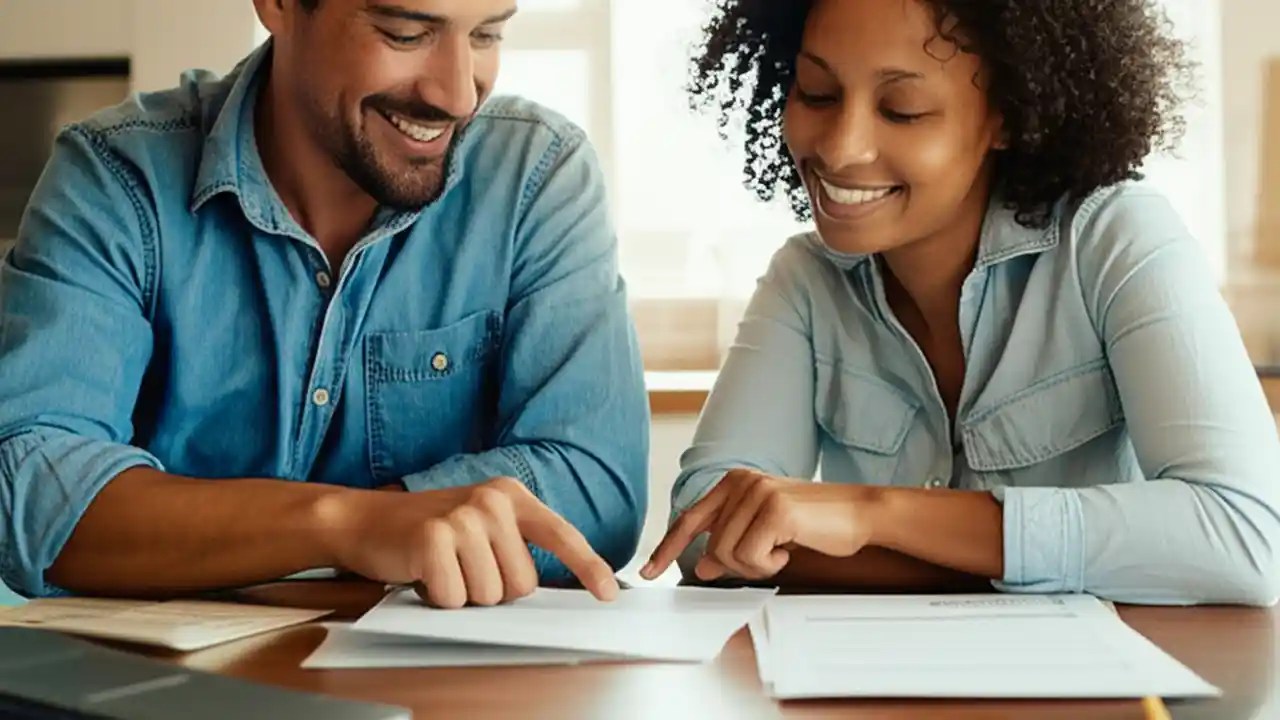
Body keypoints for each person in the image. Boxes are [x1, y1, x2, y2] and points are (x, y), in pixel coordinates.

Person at [0, 0, 649, 609]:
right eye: (405, 33)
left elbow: (595, 488)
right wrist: (350, 525)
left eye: (485, 34)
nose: (455, 94)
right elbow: (30, 489)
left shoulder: (536, 177)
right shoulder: (117, 177)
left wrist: (375, 528)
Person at [642, 0, 1280, 605]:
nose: (840, 147)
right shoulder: (806, 279)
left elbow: (1245, 535)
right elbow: (705, 531)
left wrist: (873, 515)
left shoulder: (1116, 239)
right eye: (818, 94)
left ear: (1007, 114)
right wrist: (999, 553)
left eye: (902, 109)